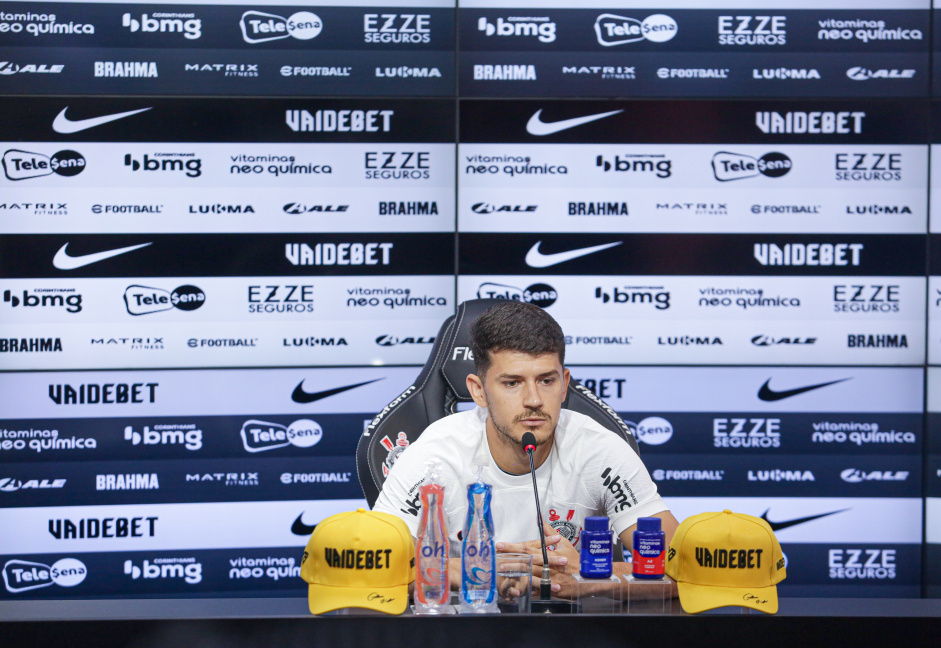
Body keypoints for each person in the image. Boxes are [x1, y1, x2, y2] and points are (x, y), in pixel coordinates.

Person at [372, 301, 678, 597]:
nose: (533, 399)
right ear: (478, 390)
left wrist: (590, 575)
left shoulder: (600, 450)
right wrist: (472, 569)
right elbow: (373, 568)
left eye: (546, 380)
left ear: (564, 384)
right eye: (512, 383)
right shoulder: (433, 455)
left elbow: (686, 571)